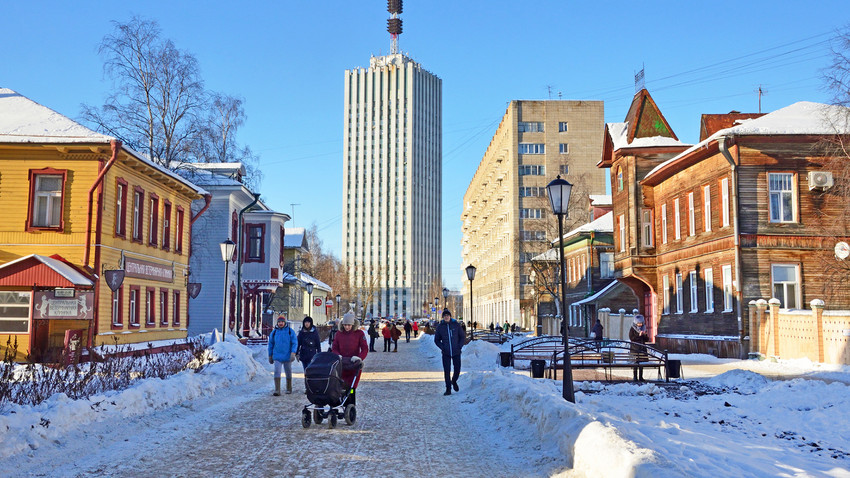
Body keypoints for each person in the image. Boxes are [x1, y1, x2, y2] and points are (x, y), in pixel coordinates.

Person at [331, 312, 368, 405]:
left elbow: (365, 348)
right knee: (340, 385)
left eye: (349, 325)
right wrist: (337, 355)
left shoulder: (359, 334)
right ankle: (339, 402)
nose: (347, 327)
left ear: (353, 324)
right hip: (341, 364)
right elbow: (334, 347)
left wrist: (359, 358)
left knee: (351, 388)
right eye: (345, 325)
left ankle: (351, 405)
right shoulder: (339, 334)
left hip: (354, 364)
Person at [434, 308, 465, 396]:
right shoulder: (440, 327)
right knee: (447, 371)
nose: (446, 317)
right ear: (443, 317)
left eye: (448, 315)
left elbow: (462, 336)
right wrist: (442, 348)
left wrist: (459, 346)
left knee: (457, 369)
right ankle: (448, 388)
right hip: (446, 353)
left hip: (456, 351)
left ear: (450, 316)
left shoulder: (456, 325)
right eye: (445, 316)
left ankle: (454, 381)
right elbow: (436, 340)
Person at [268, 315, 298, 395]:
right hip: (277, 356)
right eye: (279, 322)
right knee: (277, 371)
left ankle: (289, 388)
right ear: (277, 323)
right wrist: (270, 355)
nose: (280, 323)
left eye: (282, 322)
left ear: (285, 322)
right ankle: (277, 390)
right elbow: (270, 344)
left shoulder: (290, 331)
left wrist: (293, 352)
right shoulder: (274, 332)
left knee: (288, 371)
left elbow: (294, 342)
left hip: (287, 355)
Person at [629, 314, 649, 382]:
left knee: (641, 363)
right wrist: (638, 335)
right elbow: (631, 338)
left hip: (642, 348)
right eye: (638, 323)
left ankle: (641, 377)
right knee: (635, 363)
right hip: (634, 349)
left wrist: (644, 335)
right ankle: (635, 377)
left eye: (641, 323)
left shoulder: (644, 328)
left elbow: (647, 339)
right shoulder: (632, 329)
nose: (640, 324)